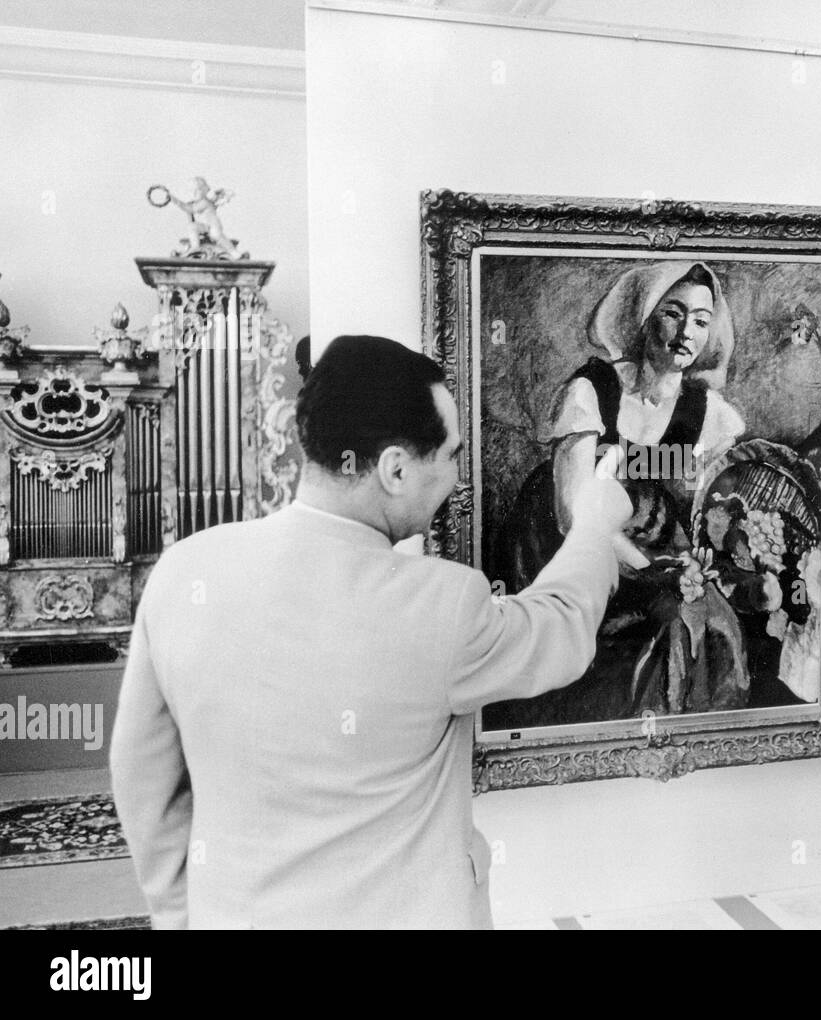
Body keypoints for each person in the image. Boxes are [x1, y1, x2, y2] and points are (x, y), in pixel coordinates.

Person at [109, 334, 632, 929]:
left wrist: (182, 915)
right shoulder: (443, 604)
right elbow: (560, 626)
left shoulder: (183, 572)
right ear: (396, 469)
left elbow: (141, 777)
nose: (460, 480)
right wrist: (593, 522)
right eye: (454, 456)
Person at [487, 261, 759, 726]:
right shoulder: (593, 390)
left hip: (656, 543)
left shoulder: (707, 412)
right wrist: (650, 569)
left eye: (700, 319)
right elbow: (572, 515)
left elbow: (714, 506)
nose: (686, 331)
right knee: (668, 621)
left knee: (715, 621)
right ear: (643, 315)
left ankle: (703, 734)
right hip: (572, 549)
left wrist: (699, 560)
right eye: (673, 313)